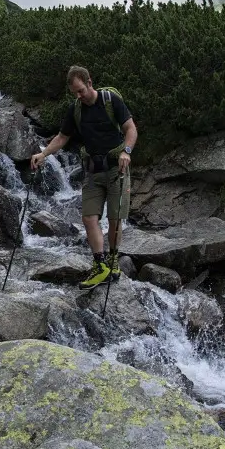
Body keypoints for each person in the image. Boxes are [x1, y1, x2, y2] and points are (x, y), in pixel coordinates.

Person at [30, 65, 138, 288]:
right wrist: (44, 154)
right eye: (74, 93)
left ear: (90, 83)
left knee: (115, 219)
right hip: (92, 171)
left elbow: (130, 129)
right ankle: (100, 266)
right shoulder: (76, 109)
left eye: (81, 90)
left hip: (116, 168)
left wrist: (126, 152)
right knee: (89, 218)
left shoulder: (110, 101)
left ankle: (113, 261)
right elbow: (62, 137)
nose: (79, 96)